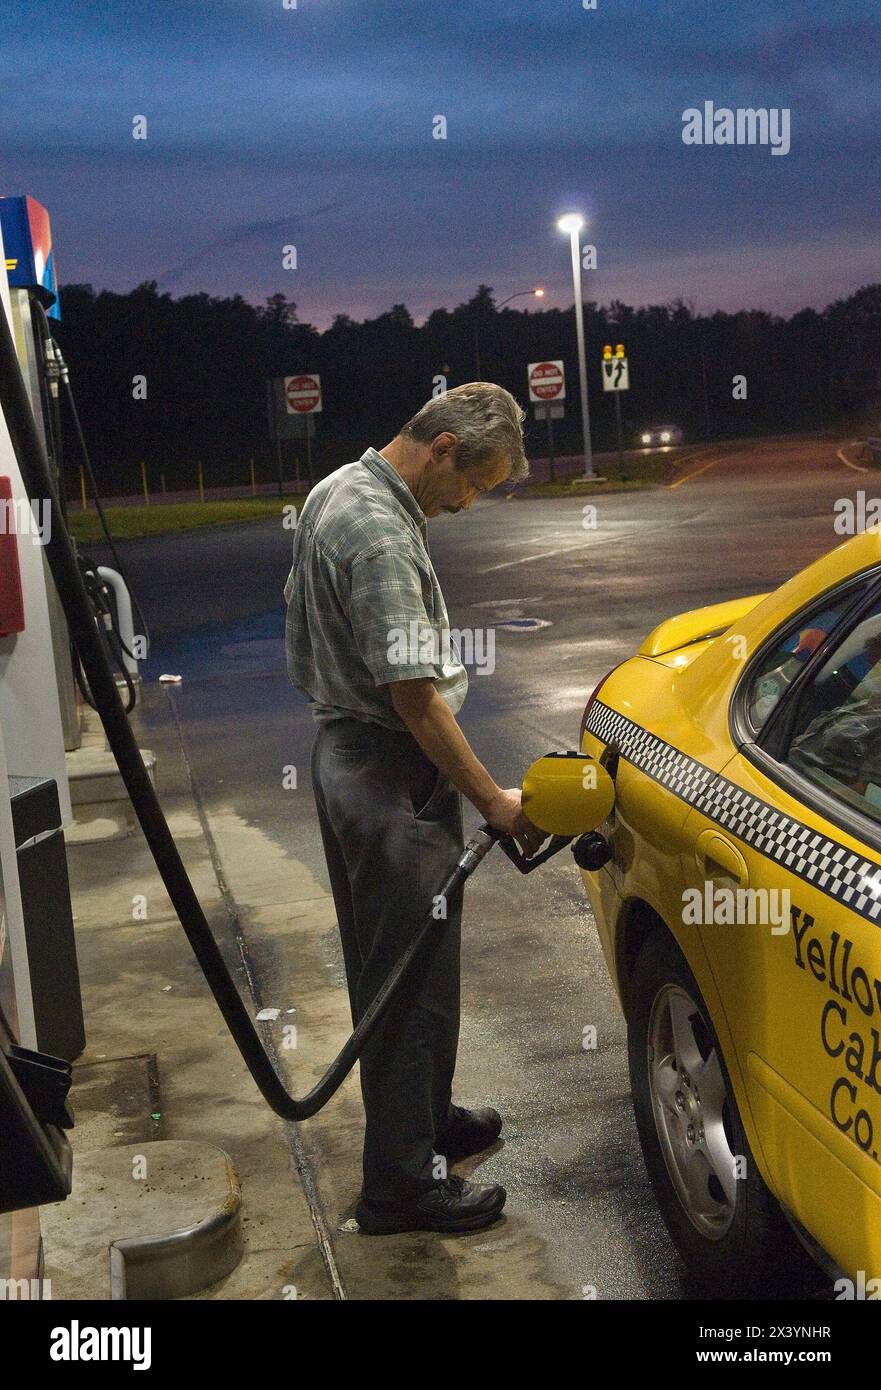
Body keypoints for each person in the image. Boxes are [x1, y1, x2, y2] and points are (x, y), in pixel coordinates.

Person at [284, 382, 545, 1234]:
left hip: (359, 761)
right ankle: (399, 1187)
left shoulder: (342, 486)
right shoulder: (378, 537)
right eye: (471, 484)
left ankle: (424, 1126)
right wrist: (494, 803)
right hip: (388, 768)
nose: (468, 504)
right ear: (440, 448)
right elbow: (414, 699)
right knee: (402, 977)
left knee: (419, 963)